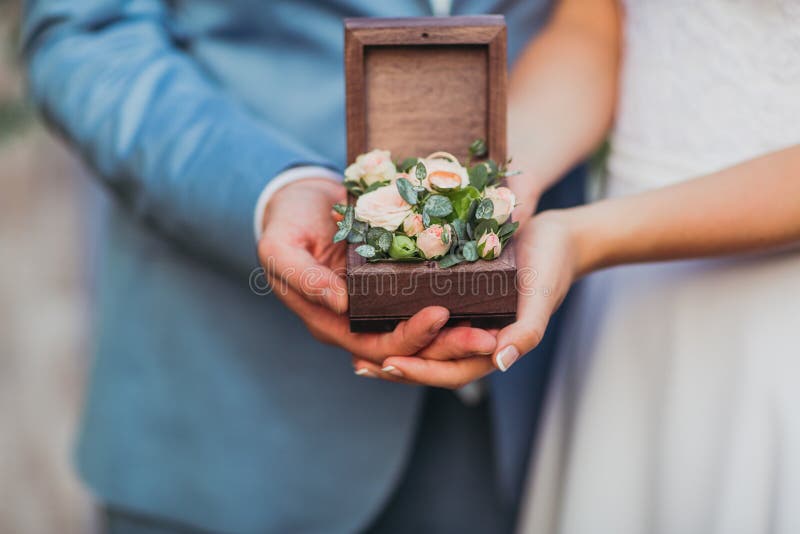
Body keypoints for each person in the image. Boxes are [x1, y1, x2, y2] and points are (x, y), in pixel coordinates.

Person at [21, 0, 585, 532]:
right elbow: (88, 34)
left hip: (524, 407)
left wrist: (501, 190)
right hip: (226, 417)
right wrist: (275, 187)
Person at [368, 0, 800, 532]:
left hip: (775, 322)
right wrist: (501, 180)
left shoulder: (584, 237)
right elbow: (591, 30)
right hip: (625, 308)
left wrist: (583, 237)